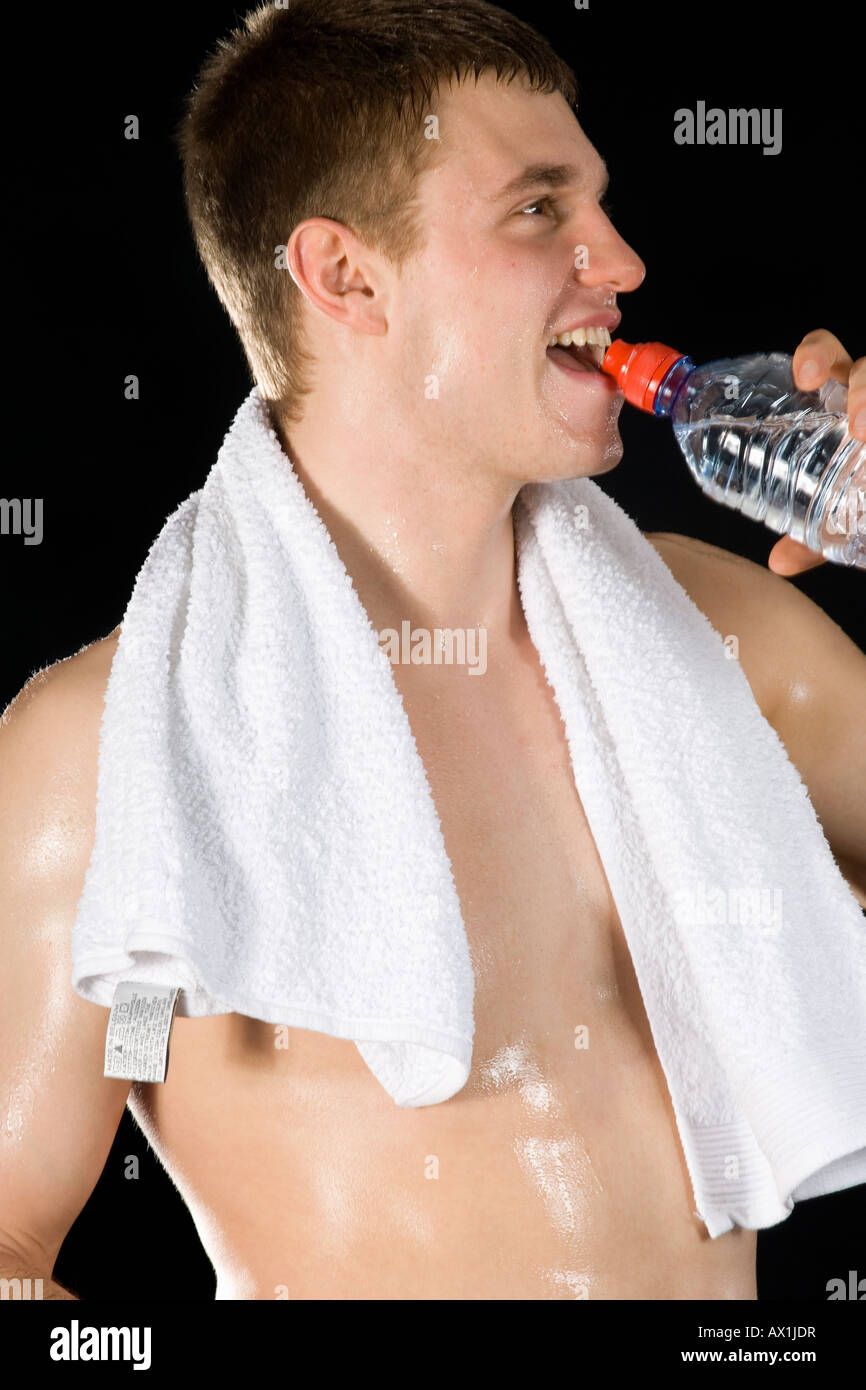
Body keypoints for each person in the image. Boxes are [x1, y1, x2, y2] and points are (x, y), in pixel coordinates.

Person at [1, 0, 864, 1301]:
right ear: (346, 277)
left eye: (601, 204)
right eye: (537, 209)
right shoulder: (115, 751)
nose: (620, 259)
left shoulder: (733, 647)